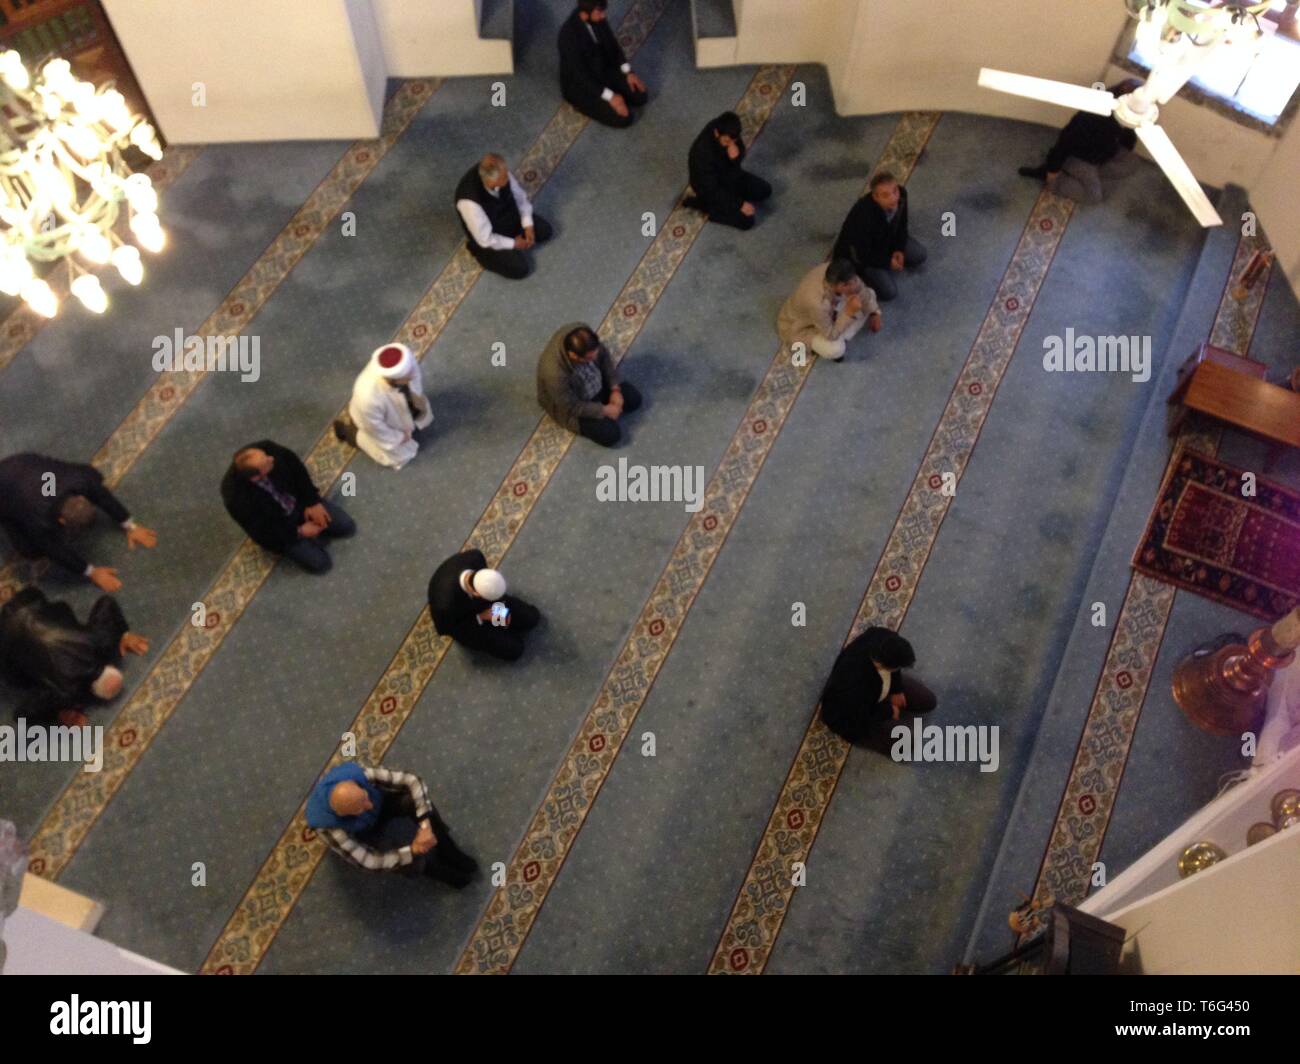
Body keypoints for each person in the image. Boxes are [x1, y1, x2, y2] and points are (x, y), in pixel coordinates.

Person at [0, 453, 157, 592]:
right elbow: (54, 551)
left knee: (91, 479)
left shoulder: (81, 480)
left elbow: (103, 496)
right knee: (31, 550)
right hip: (5, 487)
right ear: (60, 520)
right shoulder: (38, 520)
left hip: (24, 463)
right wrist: (92, 572)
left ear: (81, 498)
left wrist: (131, 526)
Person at [306, 761, 478, 888]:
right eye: (360, 808)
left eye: (365, 797)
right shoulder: (329, 829)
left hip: (383, 804)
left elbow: (412, 780)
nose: (369, 806)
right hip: (364, 831)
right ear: (343, 815)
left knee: (416, 803)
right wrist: (413, 851)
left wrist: (425, 826)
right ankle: (442, 874)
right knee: (403, 862)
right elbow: (369, 862)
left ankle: (447, 848)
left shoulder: (358, 774)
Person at [0, 586, 148, 726]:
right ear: (91, 690)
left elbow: (106, 602)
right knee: (18, 681)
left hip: (29, 598)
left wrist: (123, 634)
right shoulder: (64, 692)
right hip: (4, 637)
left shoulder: (100, 640)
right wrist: (60, 715)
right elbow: (21, 714)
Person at [220, 441, 356, 574]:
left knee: (347, 526)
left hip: (300, 503)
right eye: (267, 462)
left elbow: (299, 473)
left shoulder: (267, 449)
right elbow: (261, 532)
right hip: (281, 527)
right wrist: (299, 532)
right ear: (257, 477)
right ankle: (306, 537)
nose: (271, 458)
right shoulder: (236, 498)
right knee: (321, 564)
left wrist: (312, 502)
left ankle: (315, 531)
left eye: (265, 456)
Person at [1017, 80, 1143, 204]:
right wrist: (1052, 172)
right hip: (1081, 159)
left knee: (1133, 162)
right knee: (1093, 197)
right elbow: (1064, 143)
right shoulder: (1090, 116)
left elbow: (1128, 140)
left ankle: (1091, 174)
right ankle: (1058, 180)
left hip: (1102, 152)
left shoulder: (1128, 117)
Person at [819, 626, 937, 755]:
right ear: (885, 665)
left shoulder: (885, 638)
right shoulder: (852, 682)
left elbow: (896, 670)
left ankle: (886, 702)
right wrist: (889, 711)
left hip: (877, 691)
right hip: (850, 716)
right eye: (897, 667)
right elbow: (860, 715)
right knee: (905, 743)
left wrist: (896, 690)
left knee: (928, 701)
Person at [536, 323, 642, 447]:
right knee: (611, 435)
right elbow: (570, 406)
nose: (593, 359)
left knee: (634, 399)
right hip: (576, 403)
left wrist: (615, 389)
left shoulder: (585, 337)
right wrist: (603, 410)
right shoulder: (554, 374)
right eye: (588, 359)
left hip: (595, 384)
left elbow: (604, 359)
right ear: (573, 355)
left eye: (594, 355)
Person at [427, 549, 540, 662]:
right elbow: (449, 628)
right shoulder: (444, 606)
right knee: (515, 650)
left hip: (482, 604)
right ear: (476, 594)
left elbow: (496, 599)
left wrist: (500, 611)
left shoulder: (475, 557)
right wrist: (481, 617)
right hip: (464, 621)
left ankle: (498, 624)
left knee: (531, 618)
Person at [333, 343, 433, 471]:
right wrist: (400, 438)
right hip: (370, 422)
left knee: (419, 416)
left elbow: (414, 381)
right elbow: (375, 428)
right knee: (401, 456)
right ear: (392, 379)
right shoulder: (368, 396)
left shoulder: (406, 361)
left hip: (396, 406)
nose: (413, 374)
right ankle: (350, 433)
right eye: (407, 376)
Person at [455, 153, 554, 280]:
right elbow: (485, 239)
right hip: (490, 237)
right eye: (504, 177)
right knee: (520, 270)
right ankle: (485, 257)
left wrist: (527, 224)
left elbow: (520, 199)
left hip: (509, 217)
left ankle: (515, 237)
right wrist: (513, 243)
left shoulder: (501, 172)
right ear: (491, 181)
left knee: (545, 231)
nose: (509, 177)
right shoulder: (469, 203)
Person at [832, 172, 927, 302]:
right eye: (886, 195)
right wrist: (888, 262)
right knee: (889, 292)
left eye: (895, 191)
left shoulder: (902, 196)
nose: (894, 198)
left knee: (920, 255)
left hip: (887, 240)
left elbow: (901, 226)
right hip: (865, 255)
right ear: (875, 197)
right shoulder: (863, 216)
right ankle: (865, 278)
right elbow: (861, 255)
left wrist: (899, 248)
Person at [558, 0, 648, 128]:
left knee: (640, 96)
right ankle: (585, 104)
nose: (604, 15)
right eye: (600, 12)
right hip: (582, 86)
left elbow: (612, 45)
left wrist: (628, 72)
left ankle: (615, 92)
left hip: (603, 68)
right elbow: (581, 76)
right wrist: (611, 97)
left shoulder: (597, 18)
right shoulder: (567, 37)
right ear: (584, 14)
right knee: (624, 118)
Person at [777, 257, 882, 362]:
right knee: (836, 349)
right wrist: (849, 313)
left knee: (870, 294)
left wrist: (874, 313)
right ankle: (842, 336)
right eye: (846, 285)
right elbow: (830, 335)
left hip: (828, 313)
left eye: (854, 279)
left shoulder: (838, 272)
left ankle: (842, 331)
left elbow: (863, 292)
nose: (854, 285)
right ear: (833, 285)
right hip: (802, 326)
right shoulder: (817, 303)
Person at [685, 111, 772, 231]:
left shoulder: (729, 131)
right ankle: (711, 211)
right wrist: (739, 204)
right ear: (716, 133)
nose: (730, 145)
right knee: (747, 221)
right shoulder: (702, 154)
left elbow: (738, 155)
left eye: (733, 141)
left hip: (729, 176)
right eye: (726, 141)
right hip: (710, 190)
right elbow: (712, 190)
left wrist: (735, 157)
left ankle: (733, 199)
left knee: (764, 190)